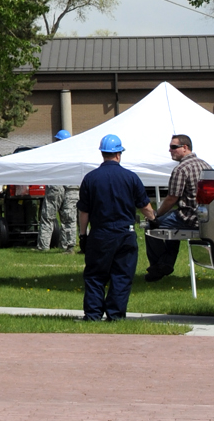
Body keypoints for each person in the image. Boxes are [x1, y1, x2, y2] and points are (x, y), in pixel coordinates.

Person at [77, 132, 155, 321]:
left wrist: (83, 235)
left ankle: (93, 314)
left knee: (95, 275)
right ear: (119, 154)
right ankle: (115, 315)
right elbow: (144, 206)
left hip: (100, 233)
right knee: (122, 275)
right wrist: (153, 219)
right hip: (124, 233)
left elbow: (84, 212)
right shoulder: (131, 178)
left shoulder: (90, 178)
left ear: (102, 153)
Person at [144, 132, 206, 282]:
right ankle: (165, 263)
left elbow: (172, 198)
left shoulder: (181, 169)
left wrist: (156, 215)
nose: (170, 150)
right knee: (171, 225)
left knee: (149, 226)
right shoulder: (205, 165)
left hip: (188, 217)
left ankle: (159, 267)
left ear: (185, 147)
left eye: (173, 147)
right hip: (205, 218)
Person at [37, 128, 80, 253]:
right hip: (72, 187)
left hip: (56, 186)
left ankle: (43, 246)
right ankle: (68, 246)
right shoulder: (75, 155)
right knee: (69, 218)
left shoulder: (53, 153)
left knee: (48, 217)